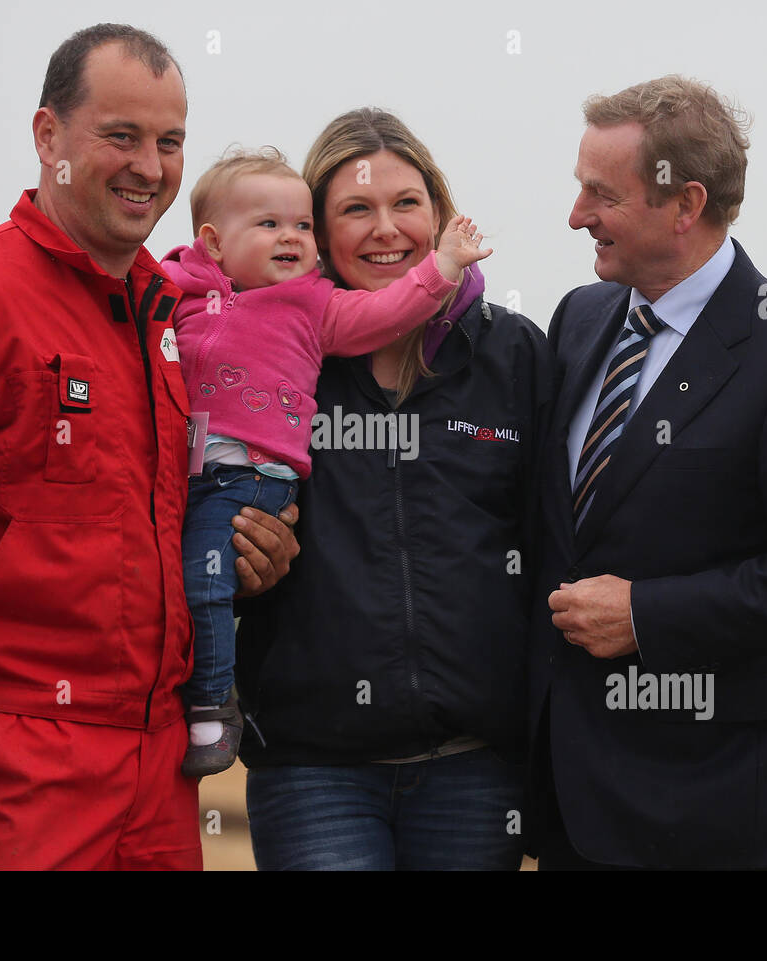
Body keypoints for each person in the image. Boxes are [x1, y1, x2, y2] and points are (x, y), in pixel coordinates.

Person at [0, 24, 297, 871]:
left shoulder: (172, 316)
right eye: (120, 136)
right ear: (48, 137)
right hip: (13, 758)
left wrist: (249, 550)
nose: (149, 166)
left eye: (169, 141)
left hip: (159, 766)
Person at [528, 75, 767, 870]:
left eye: (601, 194)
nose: (576, 215)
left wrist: (649, 615)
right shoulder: (579, 319)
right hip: (576, 805)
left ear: (684, 203)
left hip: (730, 806)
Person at [234, 108, 554, 870]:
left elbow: (553, 541)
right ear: (317, 230)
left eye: (406, 203)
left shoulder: (513, 355)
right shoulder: (270, 355)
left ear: (439, 214)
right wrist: (241, 561)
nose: (386, 229)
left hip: (477, 766)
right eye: (355, 208)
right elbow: (199, 516)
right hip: (314, 768)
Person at [158, 147, 491, 777]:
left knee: (203, 585)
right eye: (269, 224)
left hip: (250, 477)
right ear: (212, 242)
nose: (291, 237)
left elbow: (386, 312)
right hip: (180, 481)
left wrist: (443, 266)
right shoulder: (175, 295)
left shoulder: (314, 308)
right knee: (168, 585)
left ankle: (208, 705)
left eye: (301, 226)